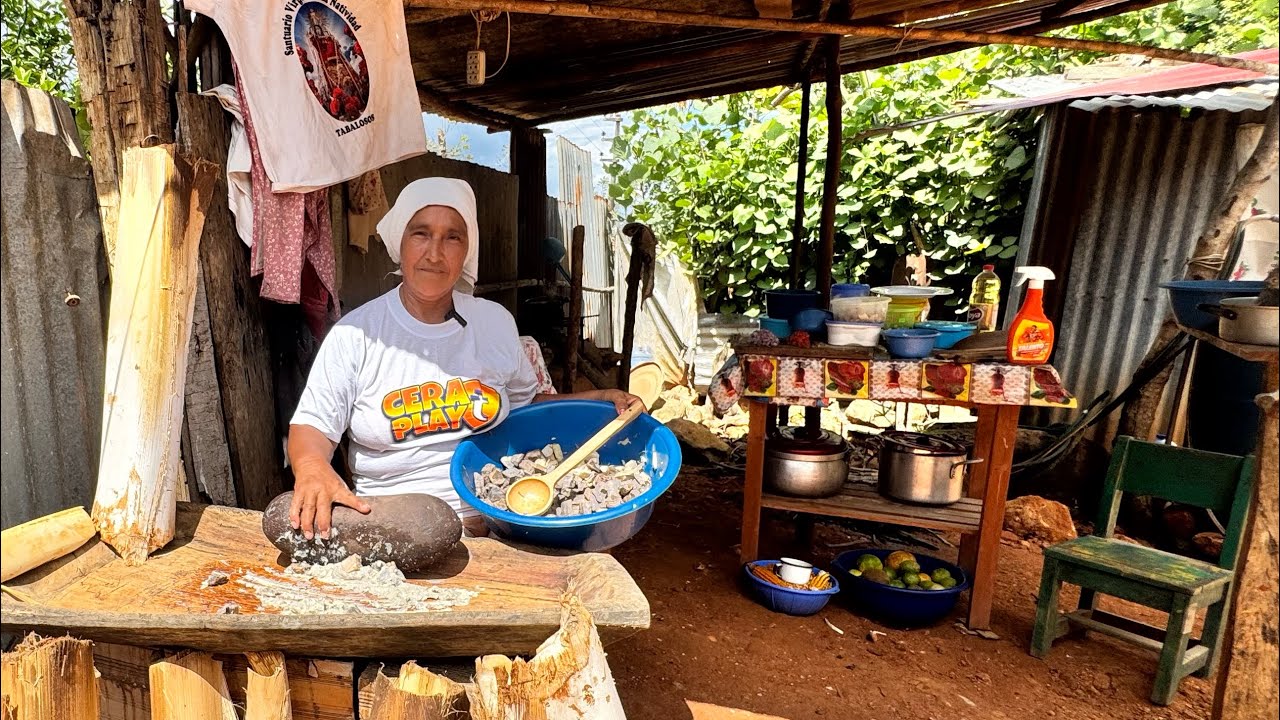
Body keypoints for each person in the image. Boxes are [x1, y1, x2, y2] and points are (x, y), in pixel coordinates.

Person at [287, 177, 641, 539]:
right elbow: (313, 425)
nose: (434, 253)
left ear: (468, 249)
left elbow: (526, 406)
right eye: (421, 233)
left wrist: (600, 398)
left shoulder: (494, 323)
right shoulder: (357, 334)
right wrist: (312, 466)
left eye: (452, 237)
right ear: (399, 241)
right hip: (391, 525)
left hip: (499, 516)